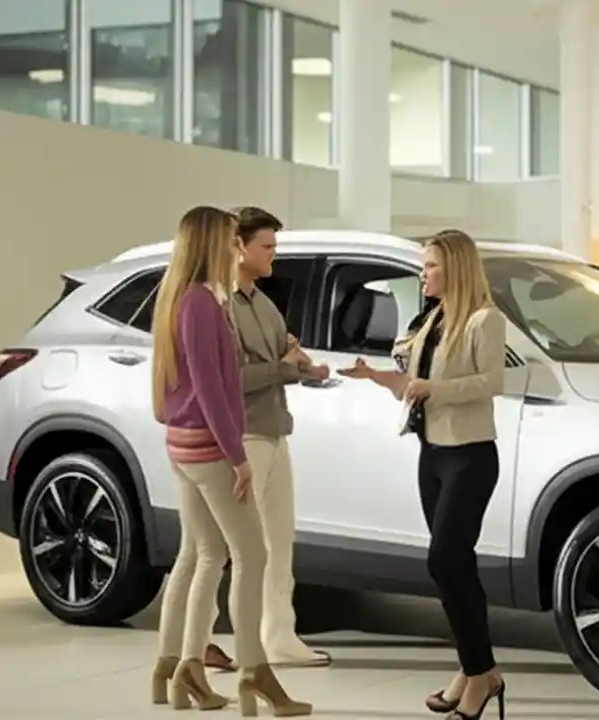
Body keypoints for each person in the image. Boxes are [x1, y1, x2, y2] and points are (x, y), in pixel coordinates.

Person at [149, 206, 311, 717]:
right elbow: (213, 389)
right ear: (209, 244)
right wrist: (237, 456)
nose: (233, 249)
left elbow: (176, 391)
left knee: (201, 554)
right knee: (251, 555)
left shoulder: (180, 298)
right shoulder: (200, 302)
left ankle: (177, 669)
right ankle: (253, 671)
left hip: (184, 443)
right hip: (207, 447)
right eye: (227, 240)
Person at [339, 229, 507, 720]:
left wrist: (435, 387)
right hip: (431, 454)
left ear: (454, 268)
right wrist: (378, 378)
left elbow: (491, 381)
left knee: (445, 562)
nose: (423, 273)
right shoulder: (430, 319)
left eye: (431, 265)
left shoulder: (485, 319)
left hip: (471, 456)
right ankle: (476, 670)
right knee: (455, 569)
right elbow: (412, 387)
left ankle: (480, 677)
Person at [200, 206, 333, 670]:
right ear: (239, 247)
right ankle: (227, 646)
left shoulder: (263, 302)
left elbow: (284, 353)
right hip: (243, 437)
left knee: (280, 541)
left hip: (276, 433)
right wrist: (286, 369)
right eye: (267, 246)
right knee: (241, 549)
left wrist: (308, 368)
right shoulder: (218, 306)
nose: (274, 254)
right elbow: (229, 378)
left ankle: (280, 636)